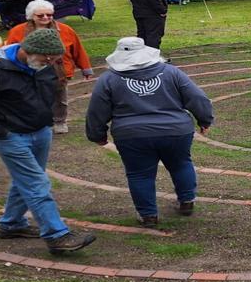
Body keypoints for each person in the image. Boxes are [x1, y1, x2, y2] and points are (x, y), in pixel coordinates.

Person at [0, 27, 94, 254]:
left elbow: (51, 92)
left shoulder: (44, 66)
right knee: (36, 183)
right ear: (26, 50)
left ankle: (11, 224)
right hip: (11, 136)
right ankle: (57, 235)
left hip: (41, 131)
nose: (49, 62)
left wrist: (47, 120)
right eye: (45, 57)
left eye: (54, 58)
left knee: (27, 180)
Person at [86, 38, 215, 226]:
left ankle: (148, 215)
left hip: (131, 135)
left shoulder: (109, 78)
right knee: (180, 164)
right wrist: (205, 119)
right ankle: (187, 201)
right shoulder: (171, 72)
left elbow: (97, 109)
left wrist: (97, 134)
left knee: (139, 174)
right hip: (175, 131)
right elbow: (197, 97)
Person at [5, 0, 93, 132]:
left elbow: (78, 50)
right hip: (28, 71)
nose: (46, 17)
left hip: (58, 71)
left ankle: (59, 121)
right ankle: (35, 121)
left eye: (49, 15)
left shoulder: (65, 30)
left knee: (60, 98)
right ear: (31, 16)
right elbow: (9, 51)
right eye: (41, 15)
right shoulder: (17, 31)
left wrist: (86, 69)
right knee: (31, 97)